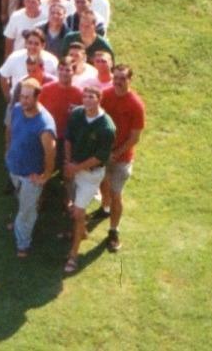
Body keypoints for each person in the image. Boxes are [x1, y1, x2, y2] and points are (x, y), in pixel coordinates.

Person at [63, 83, 116, 273]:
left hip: (90, 175)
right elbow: (68, 138)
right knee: (69, 204)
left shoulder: (106, 127)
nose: (86, 100)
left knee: (78, 213)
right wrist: (69, 164)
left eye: (91, 97)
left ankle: (73, 255)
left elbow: (99, 157)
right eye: (84, 96)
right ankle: (81, 231)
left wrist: (75, 167)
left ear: (99, 99)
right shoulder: (77, 113)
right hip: (73, 167)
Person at [94, 64, 145, 253]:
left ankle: (114, 231)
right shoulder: (105, 95)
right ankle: (104, 208)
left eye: (122, 79)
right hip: (103, 153)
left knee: (116, 194)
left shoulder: (135, 104)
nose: (118, 82)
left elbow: (135, 137)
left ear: (130, 80)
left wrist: (115, 154)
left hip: (122, 158)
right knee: (102, 183)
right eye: (115, 78)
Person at [5, 78, 56, 258]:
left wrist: (45, 176)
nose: (23, 100)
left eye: (27, 97)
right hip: (15, 168)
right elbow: (11, 130)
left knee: (28, 210)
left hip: (31, 175)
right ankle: (19, 223)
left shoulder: (44, 124)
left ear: (37, 97)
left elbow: (50, 152)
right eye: (21, 96)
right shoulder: (18, 109)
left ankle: (23, 244)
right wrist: (8, 153)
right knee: (22, 200)